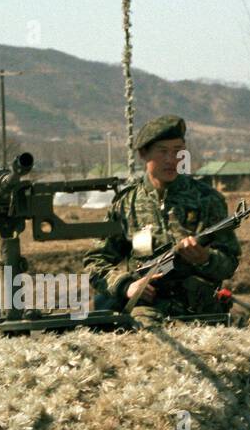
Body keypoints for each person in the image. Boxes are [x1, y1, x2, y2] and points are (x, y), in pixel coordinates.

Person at [83, 115, 239, 322]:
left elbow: (230, 263)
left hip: (203, 313)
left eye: (177, 151)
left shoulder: (208, 200)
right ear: (143, 154)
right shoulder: (125, 205)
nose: (171, 159)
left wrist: (206, 259)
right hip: (146, 312)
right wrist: (126, 286)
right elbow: (95, 262)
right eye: (163, 151)